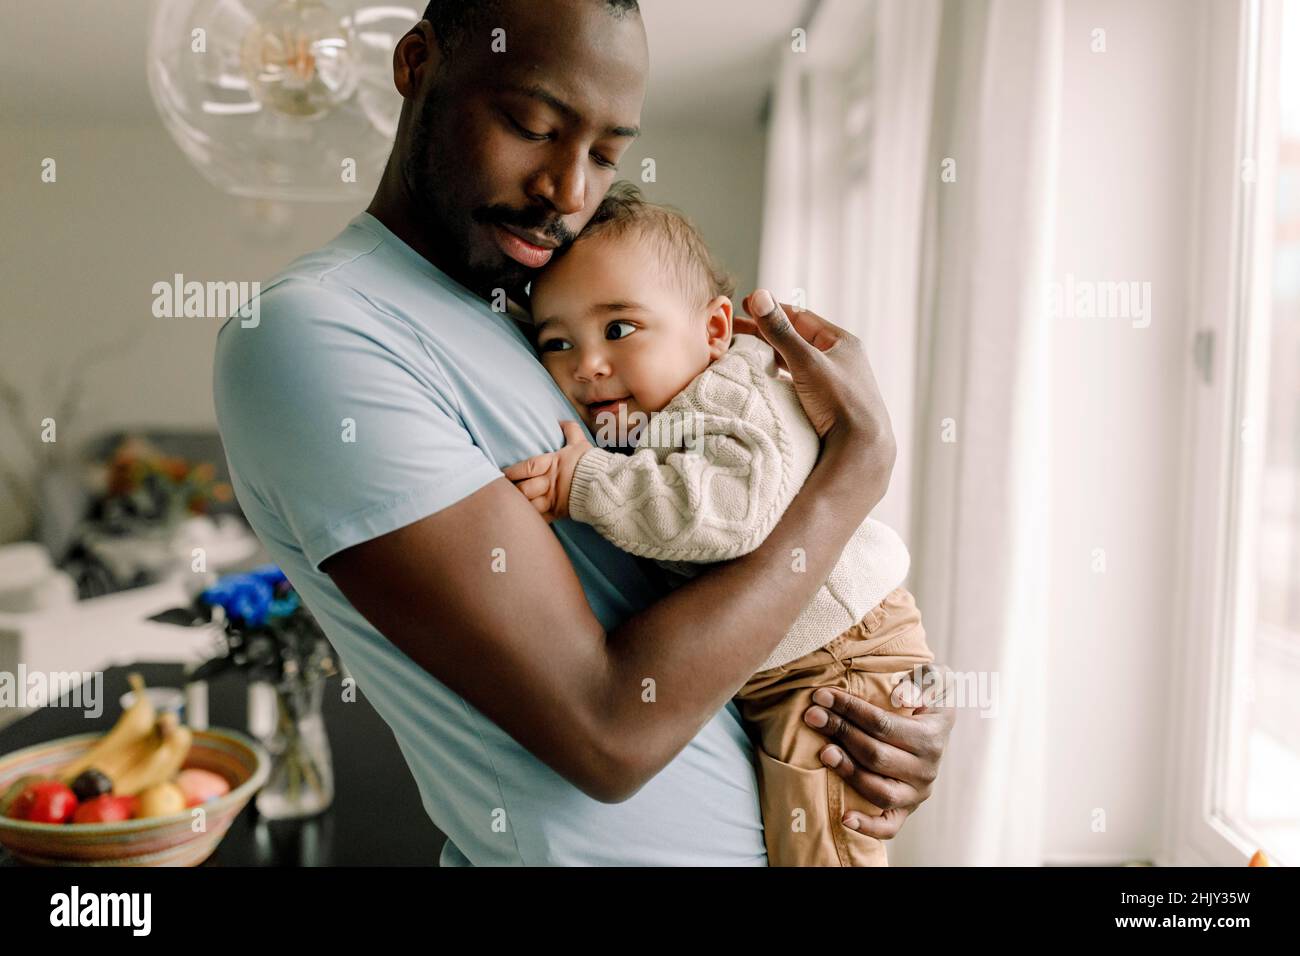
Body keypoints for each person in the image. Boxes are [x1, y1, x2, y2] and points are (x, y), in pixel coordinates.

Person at [213, 0, 955, 865]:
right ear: (416, 63)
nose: (568, 192)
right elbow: (608, 727)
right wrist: (857, 471)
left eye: (606, 154)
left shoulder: (544, 310)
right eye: (531, 125)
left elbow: (710, 576)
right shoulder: (320, 333)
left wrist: (874, 708)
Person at [505, 183, 935, 866]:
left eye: (618, 329)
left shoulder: (733, 394)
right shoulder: (669, 411)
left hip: (832, 664)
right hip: (802, 659)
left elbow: (728, 514)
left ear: (712, 331)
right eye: (556, 343)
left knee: (822, 853)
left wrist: (586, 482)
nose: (587, 365)